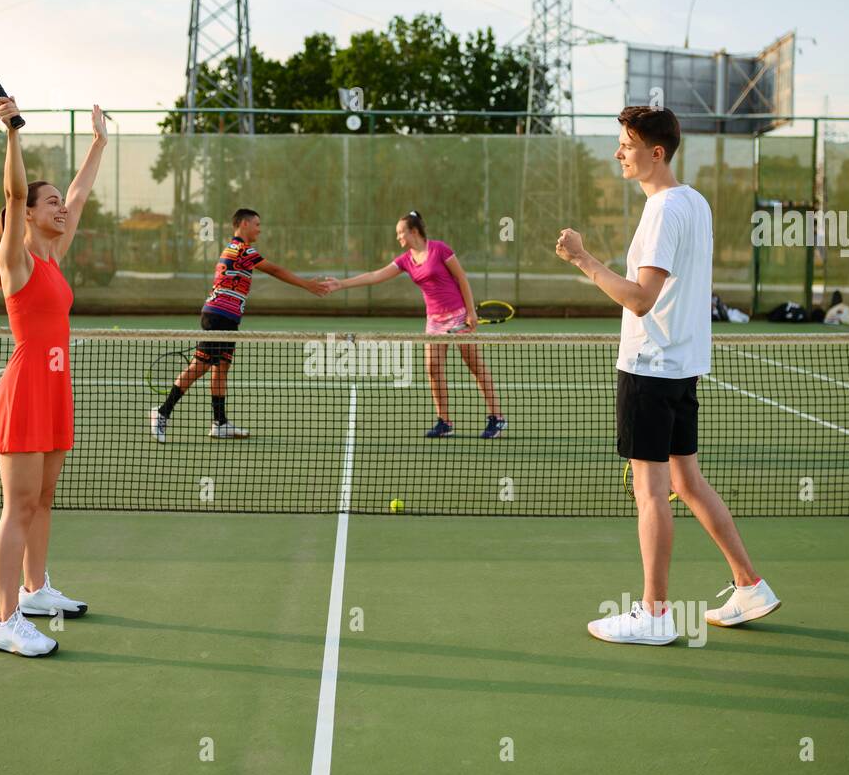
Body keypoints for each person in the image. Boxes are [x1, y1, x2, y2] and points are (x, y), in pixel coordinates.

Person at [556, 106, 781, 645]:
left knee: (651, 492)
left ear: (656, 153)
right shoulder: (694, 202)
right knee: (686, 481)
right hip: (681, 368)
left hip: (650, 369)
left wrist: (583, 259)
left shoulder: (661, 210)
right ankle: (750, 585)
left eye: (627, 145)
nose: (618, 153)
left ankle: (654, 614)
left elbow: (640, 299)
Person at [0, 97, 106, 657]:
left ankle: (36, 592)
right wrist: (12, 134)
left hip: (57, 388)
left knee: (45, 499)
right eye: (50, 202)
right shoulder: (20, 262)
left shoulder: (55, 256)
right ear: (27, 214)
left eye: (61, 202)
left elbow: (79, 195)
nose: (62, 208)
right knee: (19, 505)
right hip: (26, 389)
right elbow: (12, 193)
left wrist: (98, 143)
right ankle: (4, 619)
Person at [322, 211, 505, 438]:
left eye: (401, 232)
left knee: (475, 366)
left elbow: (462, 278)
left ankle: (497, 418)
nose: (398, 237)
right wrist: (341, 284)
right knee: (433, 369)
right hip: (434, 321)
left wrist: (470, 312)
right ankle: (444, 422)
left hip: (458, 316)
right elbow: (375, 275)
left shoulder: (440, 249)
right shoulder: (405, 260)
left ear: (414, 231)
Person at [150, 209, 328, 441]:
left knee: (221, 367)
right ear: (243, 224)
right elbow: (274, 270)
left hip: (228, 318)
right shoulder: (242, 250)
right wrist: (307, 285)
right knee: (199, 368)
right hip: (218, 317)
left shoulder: (236, 249)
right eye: (257, 224)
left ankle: (220, 423)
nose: (259, 229)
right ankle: (162, 413)